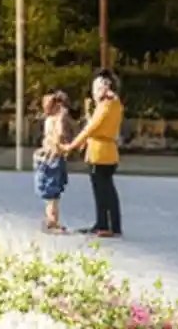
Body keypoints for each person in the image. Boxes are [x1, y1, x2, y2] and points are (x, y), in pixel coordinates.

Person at [61, 69, 125, 238]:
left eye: (97, 88)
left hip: (100, 153)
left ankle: (107, 224)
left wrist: (71, 146)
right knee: (106, 189)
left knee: (103, 190)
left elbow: (91, 128)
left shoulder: (107, 105)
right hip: (104, 151)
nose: (94, 92)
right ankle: (106, 223)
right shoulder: (113, 104)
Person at [35, 91, 75, 233]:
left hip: (48, 157)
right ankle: (52, 221)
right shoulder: (56, 120)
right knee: (53, 193)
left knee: (51, 193)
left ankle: (51, 220)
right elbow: (58, 136)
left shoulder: (48, 120)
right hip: (54, 158)